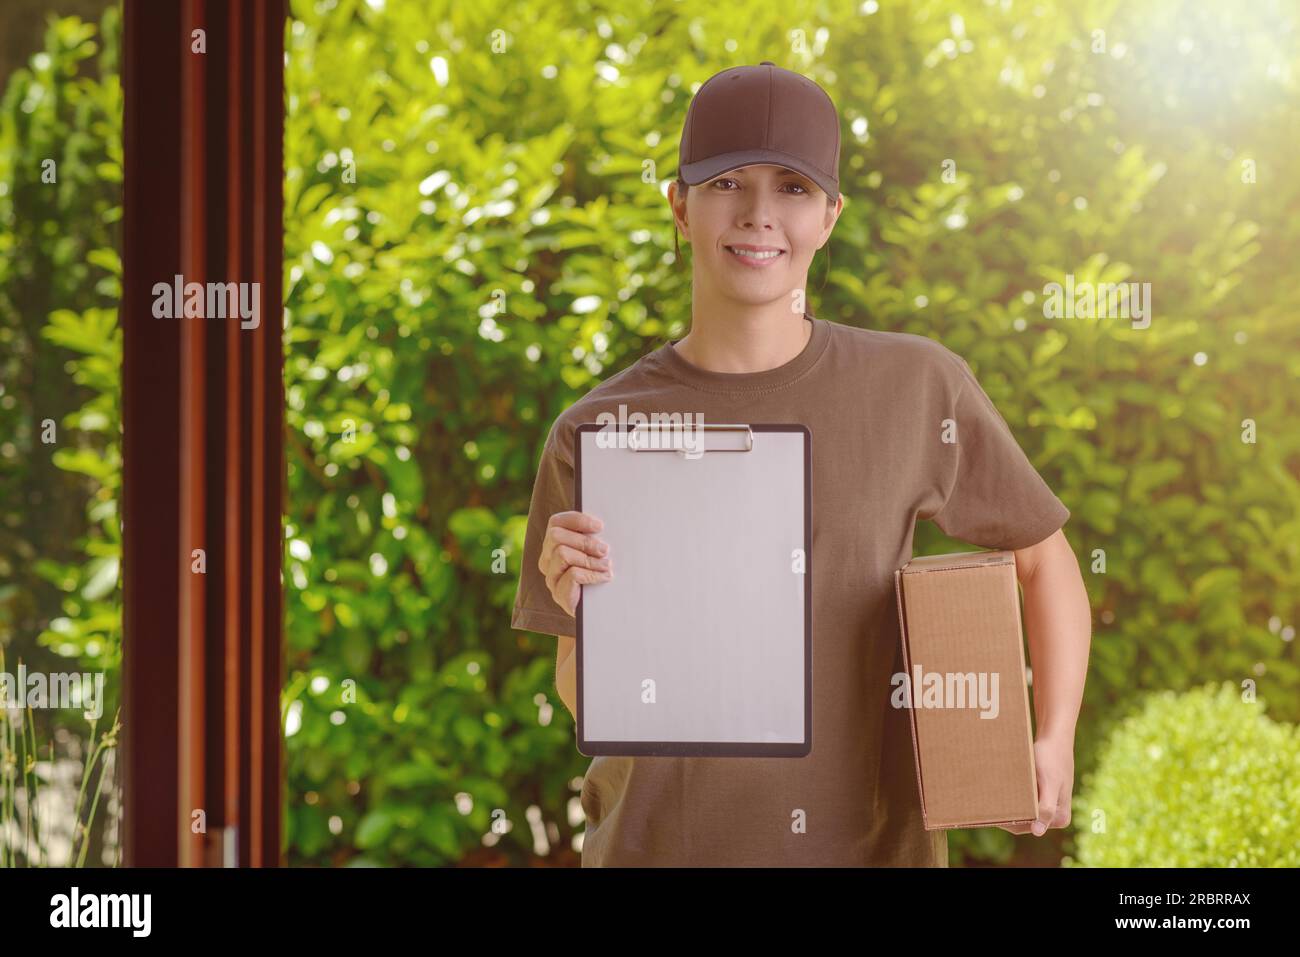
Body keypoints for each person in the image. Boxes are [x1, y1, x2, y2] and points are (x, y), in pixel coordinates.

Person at [511, 61, 1091, 866]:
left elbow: (1043, 556)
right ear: (679, 205)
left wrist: (1052, 736)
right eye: (726, 184)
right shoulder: (597, 431)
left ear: (829, 216)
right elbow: (584, 699)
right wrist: (590, 621)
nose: (758, 215)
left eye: (792, 187)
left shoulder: (915, 386)